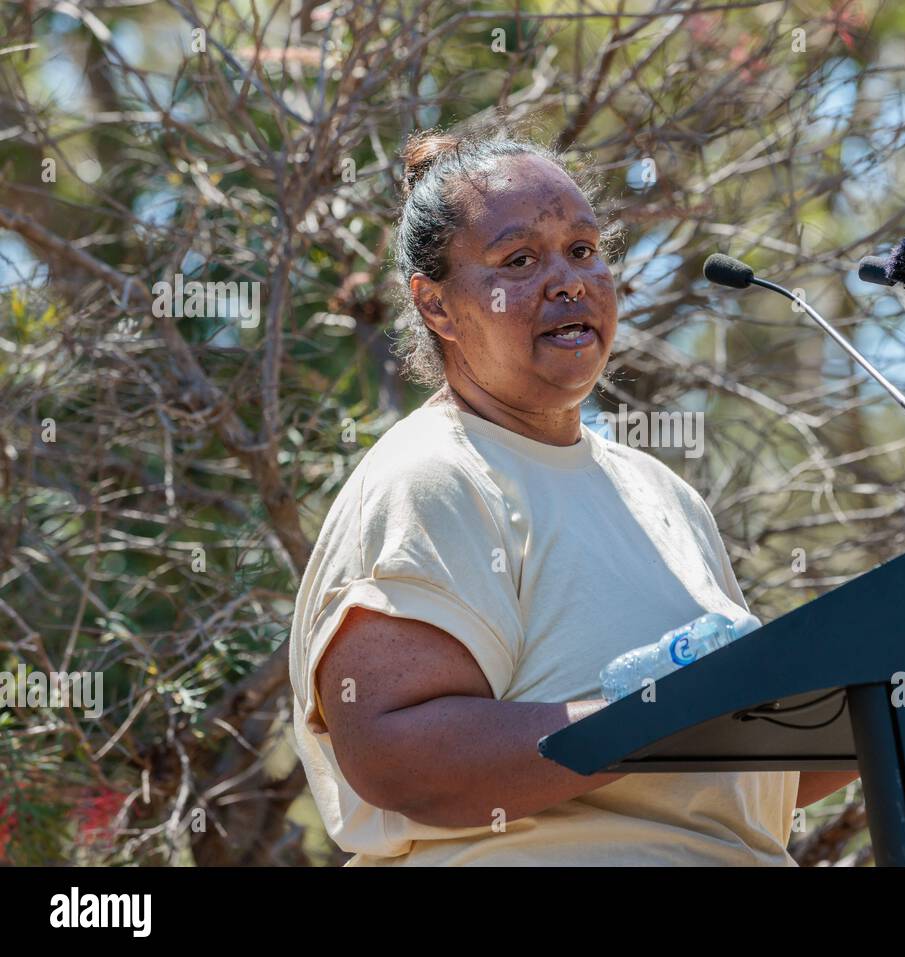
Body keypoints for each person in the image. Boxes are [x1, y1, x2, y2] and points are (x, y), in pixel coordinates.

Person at [288, 124, 857, 866]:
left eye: (584, 250)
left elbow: (730, 774)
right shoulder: (433, 474)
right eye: (519, 260)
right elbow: (397, 755)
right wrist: (657, 710)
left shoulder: (665, 496)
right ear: (437, 307)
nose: (570, 281)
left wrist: (895, 693)